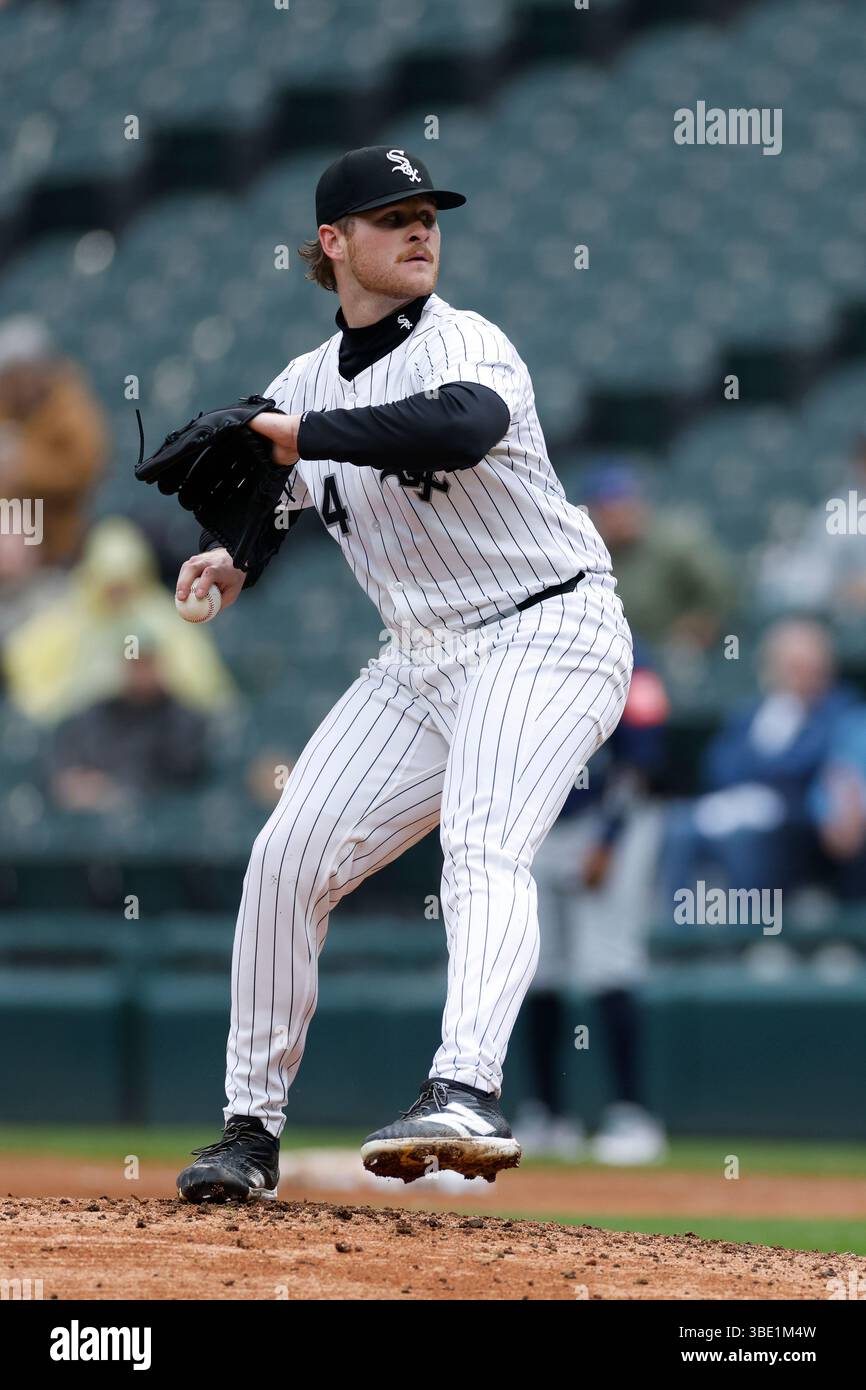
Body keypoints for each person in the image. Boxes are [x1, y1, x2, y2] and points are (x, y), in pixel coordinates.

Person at [174, 145, 633, 1203]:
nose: (420, 229)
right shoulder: (299, 381)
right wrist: (236, 553)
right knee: (285, 858)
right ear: (333, 245)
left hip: (547, 629)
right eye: (392, 217)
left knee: (482, 837)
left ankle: (463, 1089)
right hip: (418, 662)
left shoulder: (465, 342)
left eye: (427, 213)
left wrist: (301, 436)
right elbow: (280, 489)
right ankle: (249, 1132)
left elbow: (460, 427)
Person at [521, 643, 669, 1165]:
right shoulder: (526, 644)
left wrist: (609, 835)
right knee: (538, 969)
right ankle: (549, 1112)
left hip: (607, 821)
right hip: (538, 821)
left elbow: (643, 757)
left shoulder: (631, 655)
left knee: (608, 963)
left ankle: (633, 1114)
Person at [663, 619, 855, 903]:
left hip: (796, 826)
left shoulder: (840, 713)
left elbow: (811, 769)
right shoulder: (751, 713)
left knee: (743, 839)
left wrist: (765, 777)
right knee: (680, 827)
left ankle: (745, 936)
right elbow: (718, 767)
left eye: (808, 667)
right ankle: (678, 932)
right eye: (791, 667)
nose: (801, 677)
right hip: (736, 809)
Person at [583, 463, 734, 651]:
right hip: (618, 651)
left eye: (624, 505)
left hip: (676, 650)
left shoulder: (675, 541)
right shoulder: (586, 557)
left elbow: (722, 590)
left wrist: (698, 623)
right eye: (608, 510)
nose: (619, 517)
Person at [48, 636, 209, 812]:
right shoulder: (97, 715)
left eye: (146, 663)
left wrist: (114, 787)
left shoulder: (183, 720)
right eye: (135, 664)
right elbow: (66, 759)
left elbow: (179, 774)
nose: (141, 673)